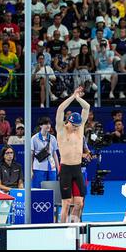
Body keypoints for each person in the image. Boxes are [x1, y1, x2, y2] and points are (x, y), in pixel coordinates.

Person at [55, 86, 90, 223]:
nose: (76, 128)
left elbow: (86, 108)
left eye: (78, 125)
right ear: (68, 122)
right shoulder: (61, 130)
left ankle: (72, 228)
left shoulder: (80, 128)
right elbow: (60, 110)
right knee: (66, 203)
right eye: (74, 125)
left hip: (77, 169)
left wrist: (78, 97)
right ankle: (61, 229)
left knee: (79, 203)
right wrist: (71, 96)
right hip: (66, 169)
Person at [31, 117, 60, 188]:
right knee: (38, 190)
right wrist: (30, 170)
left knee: (52, 189)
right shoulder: (34, 138)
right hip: (39, 168)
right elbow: (31, 155)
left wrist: (58, 169)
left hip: (52, 168)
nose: (48, 125)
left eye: (49, 124)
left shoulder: (53, 138)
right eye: (46, 124)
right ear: (40, 126)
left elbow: (54, 154)